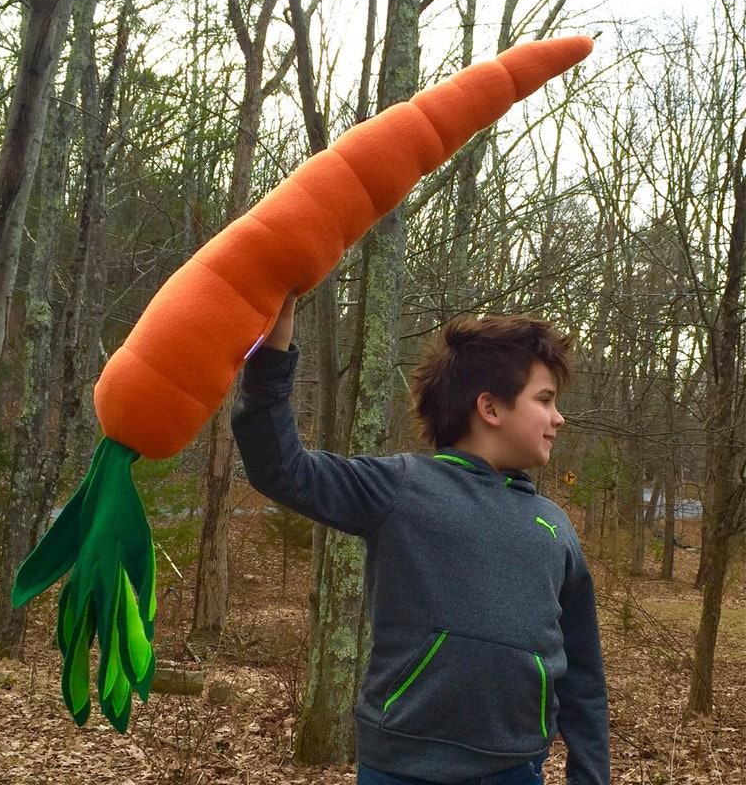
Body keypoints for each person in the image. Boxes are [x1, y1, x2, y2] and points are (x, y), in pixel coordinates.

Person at [231, 293, 610, 785]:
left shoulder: (554, 527)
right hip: (401, 769)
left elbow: (583, 676)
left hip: (516, 770)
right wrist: (271, 356)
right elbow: (281, 469)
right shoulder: (401, 487)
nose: (559, 418)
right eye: (545, 399)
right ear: (490, 407)